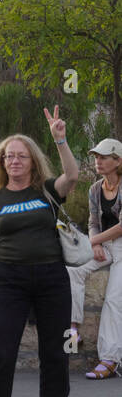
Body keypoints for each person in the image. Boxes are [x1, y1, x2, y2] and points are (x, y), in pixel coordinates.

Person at [0, 108, 80, 397]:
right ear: (2, 163)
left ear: (32, 162)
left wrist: (60, 138)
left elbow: (73, 176)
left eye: (21, 156)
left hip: (52, 279)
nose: (14, 161)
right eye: (9, 157)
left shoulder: (46, 191)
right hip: (11, 281)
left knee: (57, 351)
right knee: (2, 351)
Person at [69, 138, 122, 378]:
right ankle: (72, 330)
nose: (97, 161)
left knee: (113, 299)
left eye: (103, 157)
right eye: (96, 157)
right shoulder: (94, 189)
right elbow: (92, 222)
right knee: (71, 269)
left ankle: (110, 359)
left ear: (118, 161)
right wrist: (96, 239)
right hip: (103, 244)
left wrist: (94, 240)